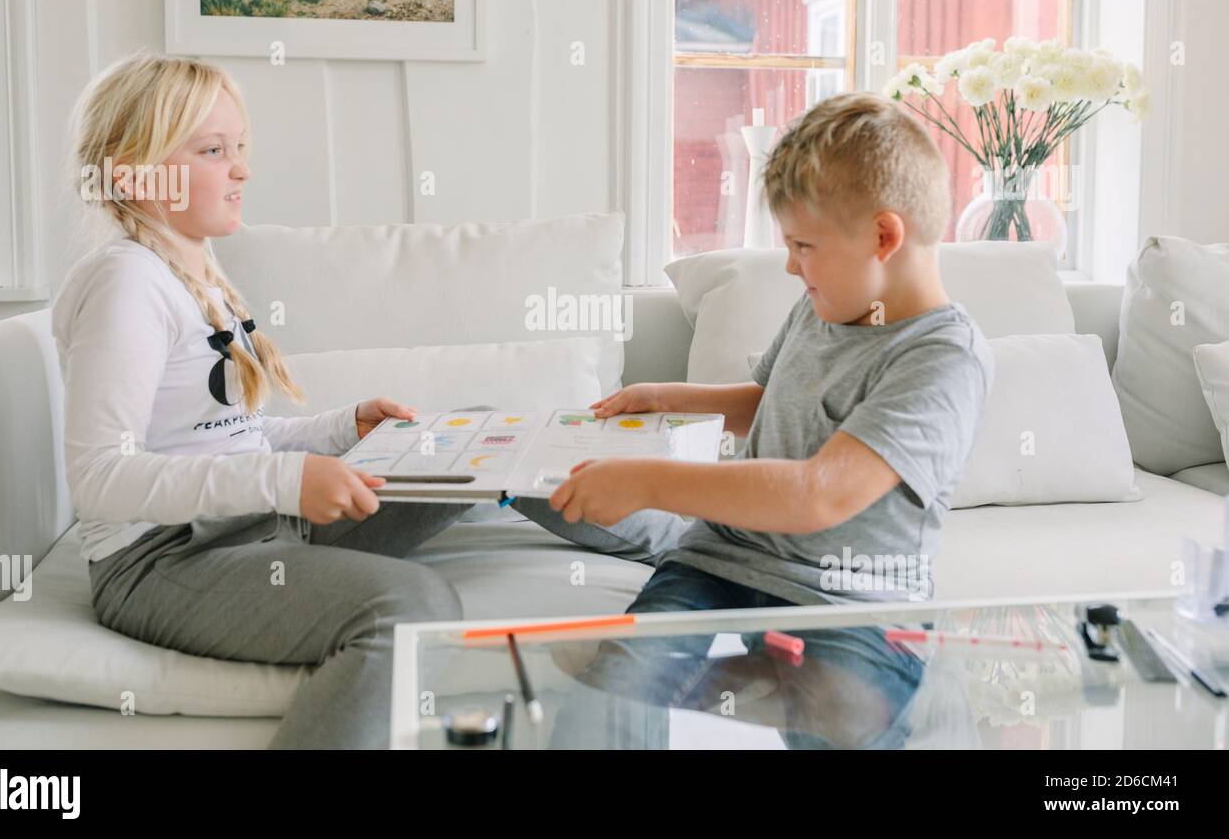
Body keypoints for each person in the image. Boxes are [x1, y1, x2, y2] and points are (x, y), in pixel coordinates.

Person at [54, 50, 685, 749]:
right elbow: (100, 479)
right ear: (133, 170)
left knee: (474, 437)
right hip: (163, 561)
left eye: (239, 148)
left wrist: (336, 431)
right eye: (213, 150)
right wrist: (286, 481)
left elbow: (228, 435)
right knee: (410, 607)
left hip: (253, 523)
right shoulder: (126, 284)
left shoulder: (190, 271)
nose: (242, 169)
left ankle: (689, 545)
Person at [542, 91, 997, 748]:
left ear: (883, 237)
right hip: (719, 565)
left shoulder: (943, 358)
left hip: (851, 605)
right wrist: (667, 396)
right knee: (605, 704)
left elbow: (821, 494)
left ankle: (752, 691)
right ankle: (740, 688)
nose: (790, 264)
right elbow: (770, 398)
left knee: (845, 720)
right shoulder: (825, 303)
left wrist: (643, 482)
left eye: (804, 245)